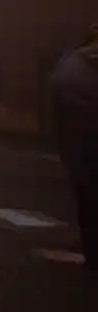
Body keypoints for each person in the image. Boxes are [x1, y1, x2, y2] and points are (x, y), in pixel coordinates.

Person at [48, 23, 98, 270]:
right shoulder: (76, 68)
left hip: (79, 147)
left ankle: (92, 251)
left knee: (87, 201)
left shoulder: (71, 67)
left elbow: (58, 105)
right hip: (84, 144)